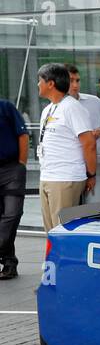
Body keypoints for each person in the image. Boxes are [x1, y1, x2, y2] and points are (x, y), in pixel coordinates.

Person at [35, 63, 95, 230]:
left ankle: (64, 257)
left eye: (40, 80)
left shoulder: (72, 107)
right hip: (47, 175)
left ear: (50, 83)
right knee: (51, 230)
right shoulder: (48, 109)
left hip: (65, 177)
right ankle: (53, 257)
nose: (38, 84)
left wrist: (91, 174)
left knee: (62, 230)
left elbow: (89, 143)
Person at [67, 64, 100, 204]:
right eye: (71, 80)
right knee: (71, 209)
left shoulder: (94, 101)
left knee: (98, 208)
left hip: (97, 161)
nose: (75, 85)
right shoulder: (55, 108)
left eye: (77, 80)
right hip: (72, 165)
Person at [0, 94, 28, 279]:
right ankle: (9, 263)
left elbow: (23, 134)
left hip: (11, 169)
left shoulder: (6, 107)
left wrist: (21, 164)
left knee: (12, 213)